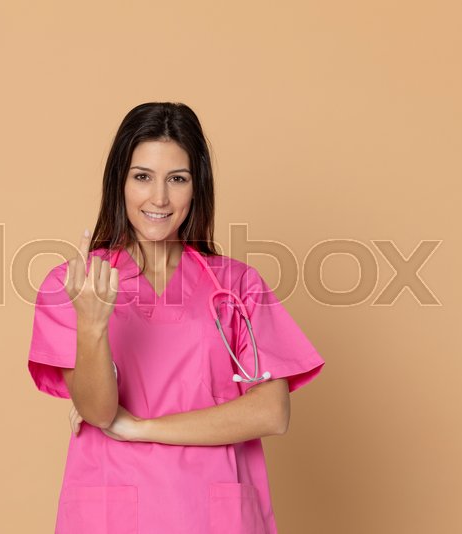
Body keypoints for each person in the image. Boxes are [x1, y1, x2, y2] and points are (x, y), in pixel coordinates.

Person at [27, 102, 325, 534]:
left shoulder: (237, 286)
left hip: (212, 510)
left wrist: (142, 428)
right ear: (120, 183)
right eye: (142, 177)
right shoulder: (74, 285)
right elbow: (98, 410)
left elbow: (272, 413)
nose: (160, 198)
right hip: (115, 507)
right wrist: (92, 326)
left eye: (178, 179)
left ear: (196, 188)